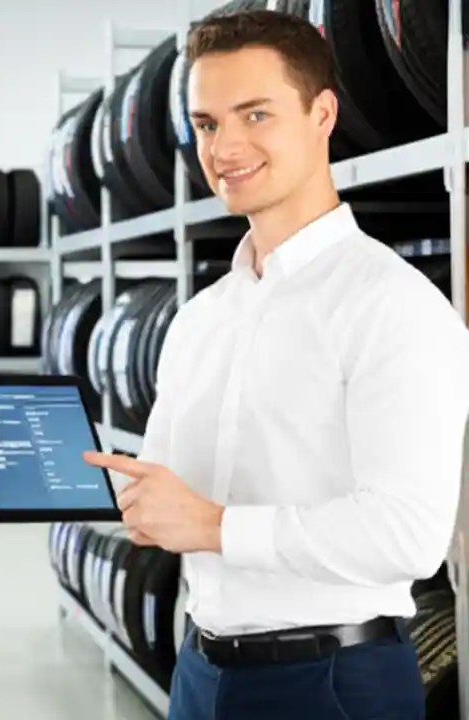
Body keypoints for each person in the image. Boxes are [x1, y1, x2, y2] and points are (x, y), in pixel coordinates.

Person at [82, 9, 469, 720]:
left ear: (322, 114)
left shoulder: (392, 306)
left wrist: (211, 526)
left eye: (254, 114)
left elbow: (407, 537)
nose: (225, 147)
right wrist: (110, 490)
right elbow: (177, 496)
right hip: (201, 670)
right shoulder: (202, 318)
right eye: (205, 124)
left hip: (334, 681)